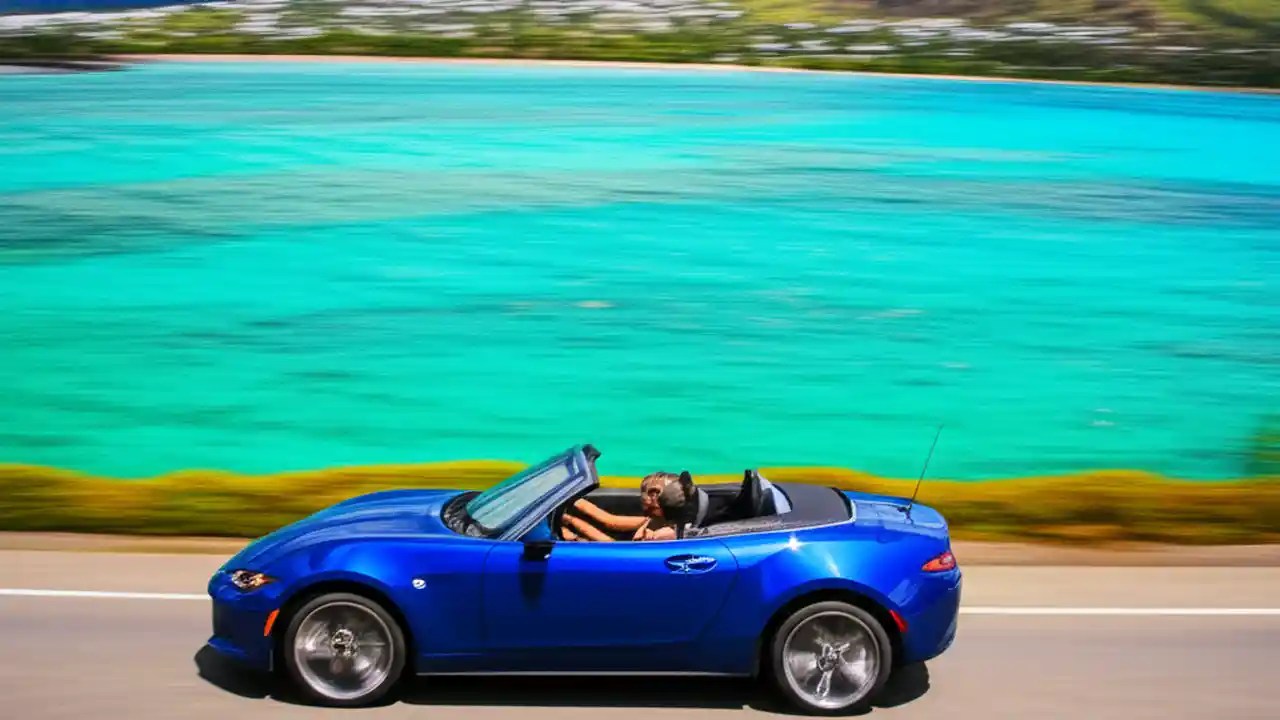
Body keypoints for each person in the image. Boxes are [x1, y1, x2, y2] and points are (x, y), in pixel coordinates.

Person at [560, 471, 681, 542]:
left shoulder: (660, 535)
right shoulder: (655, 520)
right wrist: (575, 502)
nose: (644, 498)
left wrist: (576, 538)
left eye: (651, 494)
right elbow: (611, 521)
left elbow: (613, 547)